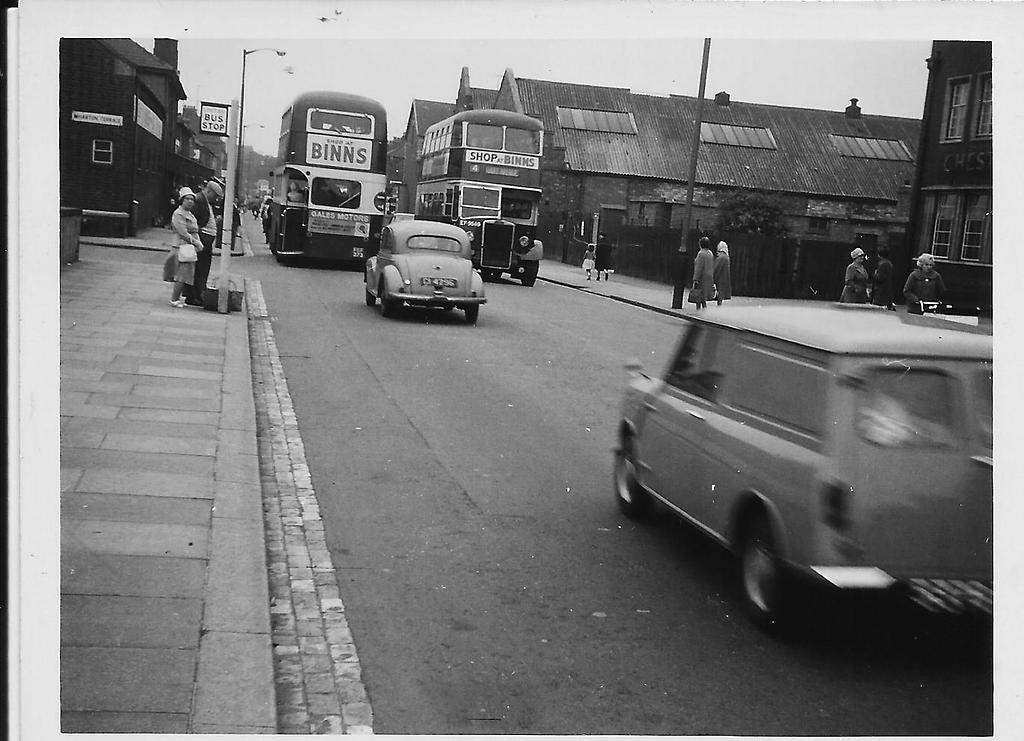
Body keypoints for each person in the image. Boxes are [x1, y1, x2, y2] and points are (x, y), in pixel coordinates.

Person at [183, 179, 223, 306]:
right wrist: (199, 235)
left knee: (202, 268)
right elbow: (190, 220)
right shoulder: (199, 200)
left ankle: (199, 294)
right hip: (201, 239)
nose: (216, 199)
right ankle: (194, 295)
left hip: (204, 239)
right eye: (215, 196)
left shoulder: (205, 201)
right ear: (209, 191)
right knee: (199, 269)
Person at [168, 187, 204, 308]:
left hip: (189, 247)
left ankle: (178, 297)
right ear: (182, 200)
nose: (190, 201)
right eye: (187, 199)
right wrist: (196, 242)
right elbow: (183, 232)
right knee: (182, 274)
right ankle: (174, 298)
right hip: (182, 246)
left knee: (187, 274)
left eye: (192, 199)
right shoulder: (178, 214)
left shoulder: (189, 214)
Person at [691, 236, 716, 310]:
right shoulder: (710, 253)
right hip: (709, 277)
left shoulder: (701, 253)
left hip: (702, 277)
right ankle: (704, 309)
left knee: (698, 295)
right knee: (704, 295)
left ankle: (698, 310)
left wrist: (695, 278)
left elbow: (699, 267)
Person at [870, 245, 895, 309]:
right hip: (887, 290)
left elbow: (880, 278)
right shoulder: (890, 264)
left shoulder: (882, 264)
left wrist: (875, 274)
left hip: (880, 291)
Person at [713, 241, 732, 305]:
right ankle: (719, 305)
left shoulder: (721, 257)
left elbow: (716, 268)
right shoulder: (726, 256)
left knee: (719, 293)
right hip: (724, 278)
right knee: (721, 295)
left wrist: (713, 277)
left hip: (720, 279)